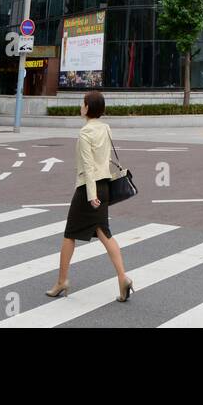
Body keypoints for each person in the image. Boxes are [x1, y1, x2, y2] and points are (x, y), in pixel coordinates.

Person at [46, 90, 133, 302]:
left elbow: (88, 166)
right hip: (105, 186)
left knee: (70, 234)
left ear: (88, 108)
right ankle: (122, 278)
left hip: (89, 188)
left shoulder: (85, 133)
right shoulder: (106, 128)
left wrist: (91, 195)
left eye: (83, 103)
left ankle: (62, 281)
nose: (81, 106)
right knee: (104, 233)